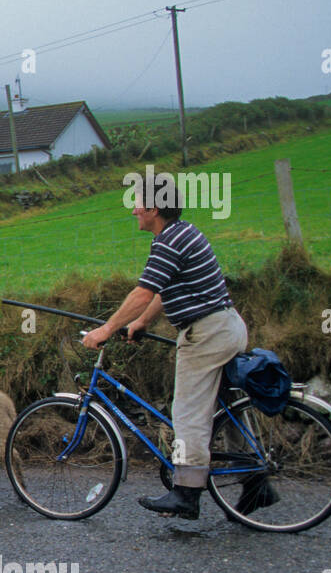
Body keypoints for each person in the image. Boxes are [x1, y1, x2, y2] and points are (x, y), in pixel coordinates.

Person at [81, 194, 247, 519]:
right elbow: (163, 290)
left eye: (138, 205)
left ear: (154, 210)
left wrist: (106, 329)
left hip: (206, 336)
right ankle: (256, 485)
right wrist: (142, 322)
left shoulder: (167, 242)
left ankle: (186, 494)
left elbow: (142, 292)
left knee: (188, 413)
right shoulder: (182, 232)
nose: (133, 211)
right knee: (228, 411)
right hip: (227, 327)